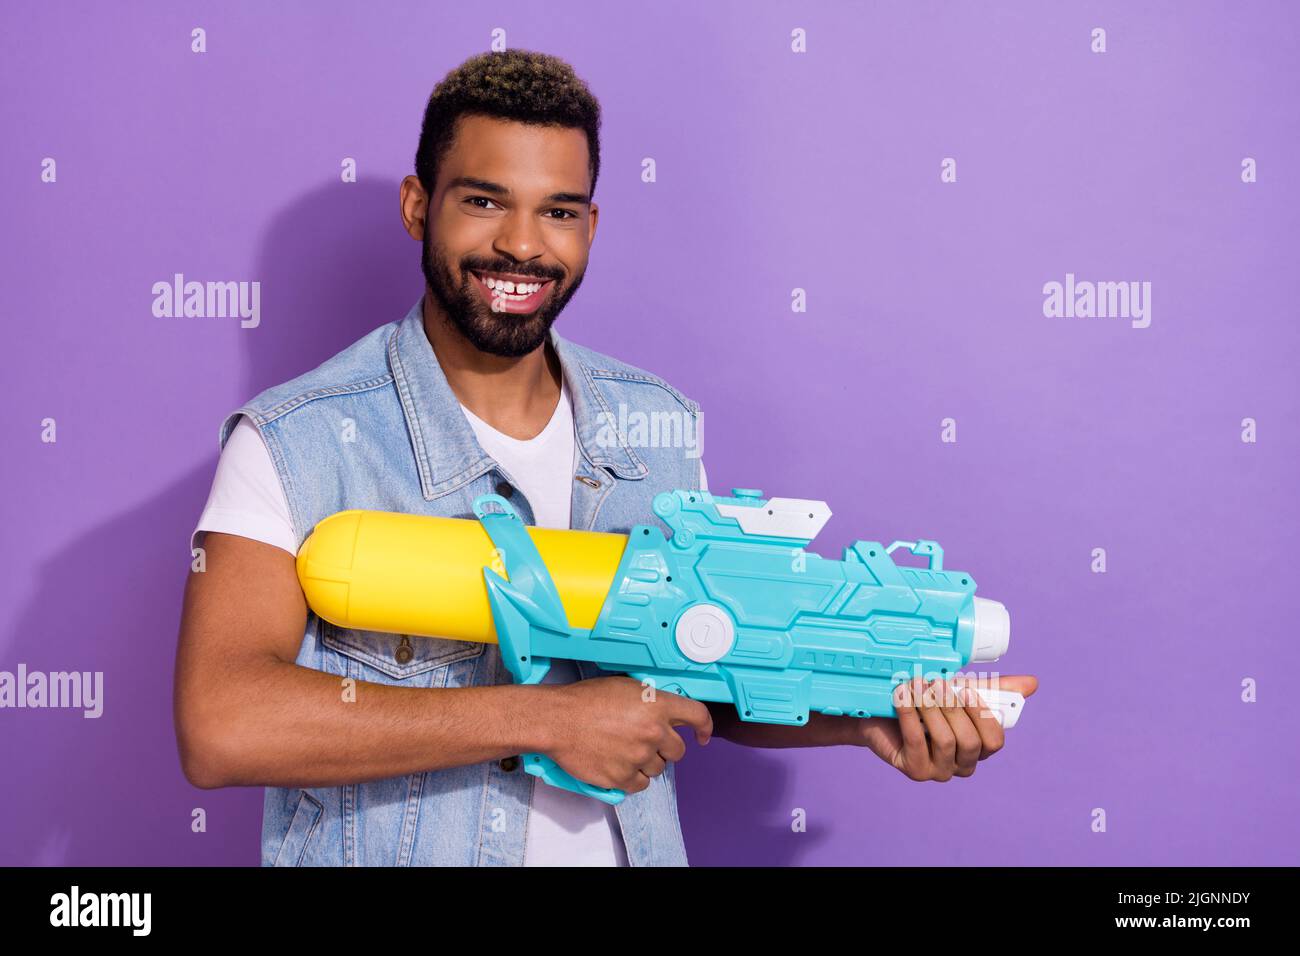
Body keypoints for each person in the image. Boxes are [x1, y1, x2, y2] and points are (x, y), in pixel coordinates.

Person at [173, 49, 1037, 867]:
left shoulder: (654, 426)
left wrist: (867, 714)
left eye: (558, 211)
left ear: (590, 224)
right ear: (415, 206)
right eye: (482, 201)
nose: (522, 244)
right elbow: (222, 725)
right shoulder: (297, 439)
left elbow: (718, 668)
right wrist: (543, 720)